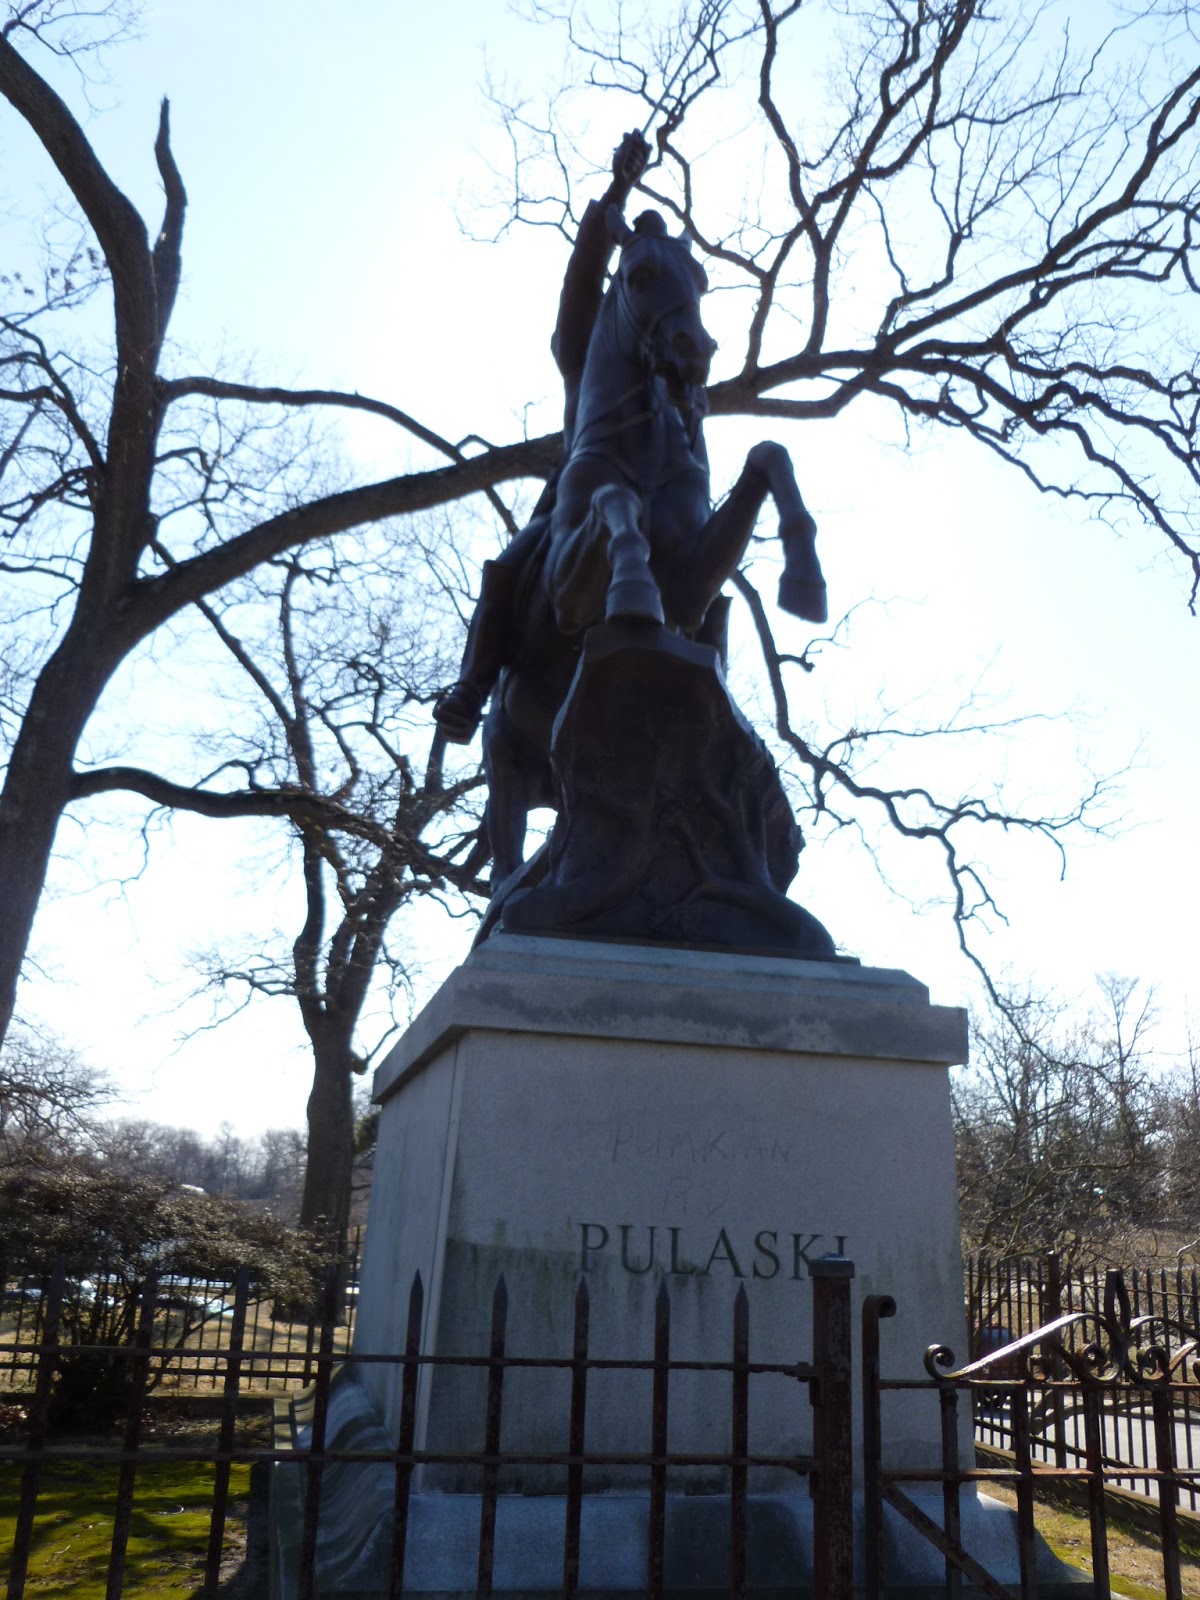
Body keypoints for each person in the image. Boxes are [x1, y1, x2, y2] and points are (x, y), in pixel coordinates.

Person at [433, 130, 653, 743]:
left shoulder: (664, 369)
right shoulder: (588, 354)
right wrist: (620, 187)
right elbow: (583, 278)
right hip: (574, 503)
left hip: (658, 497)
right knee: (509, 566)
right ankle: (472, 686)